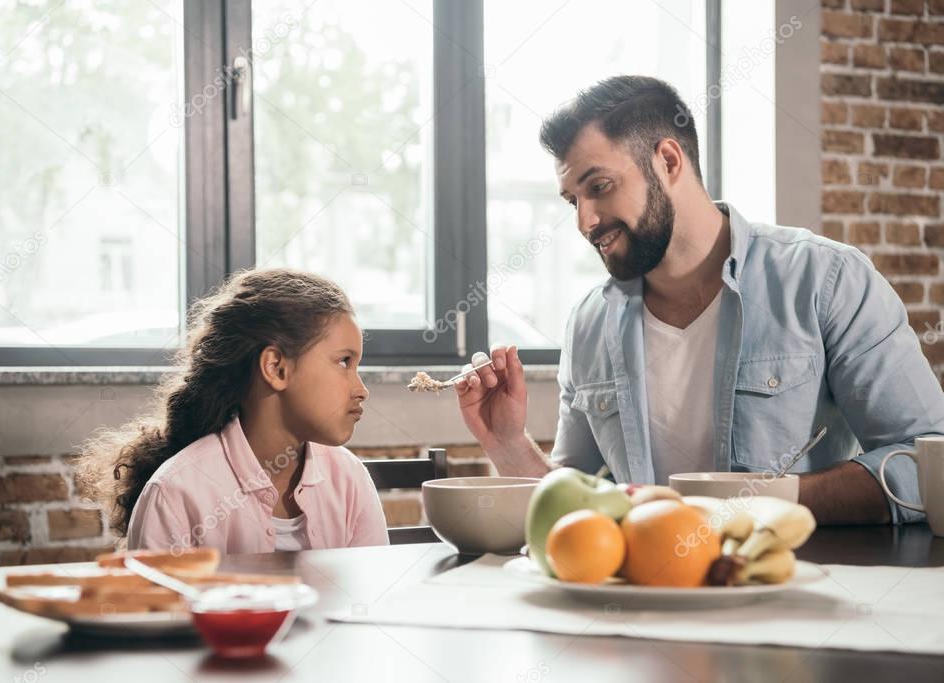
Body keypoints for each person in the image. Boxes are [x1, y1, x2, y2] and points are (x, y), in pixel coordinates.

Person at [454, 75, 944, 525]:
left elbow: (929, 461)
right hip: (644, 607)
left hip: (798, 596)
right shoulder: (589, 323)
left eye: (599, 188)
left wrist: (761, 507)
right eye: (572, 201)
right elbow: (578, 509)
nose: (585, 222)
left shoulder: (825, 279)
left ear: (668, 161)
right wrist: (509, 444)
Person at [77, 268, 388, 553]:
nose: (361, 390)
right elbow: (163, 612)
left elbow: (373, 600)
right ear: (276, 368)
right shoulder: (174, 494)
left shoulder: (350, 479)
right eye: (344, 361)